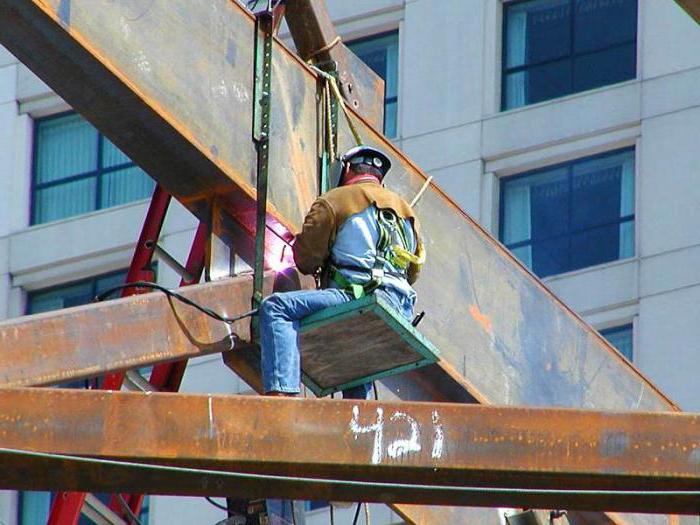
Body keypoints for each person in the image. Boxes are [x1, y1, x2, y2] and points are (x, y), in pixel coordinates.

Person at [259, 145, 425, 398]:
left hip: (356, 295)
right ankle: (360, 426)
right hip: (399, 306)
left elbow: (306, 260)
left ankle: (283, 396)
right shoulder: (407, 214)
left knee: (277, 308)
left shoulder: (336, 200)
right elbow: (412, 273)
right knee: (355, 368)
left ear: (346, 168)